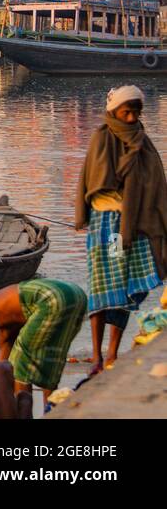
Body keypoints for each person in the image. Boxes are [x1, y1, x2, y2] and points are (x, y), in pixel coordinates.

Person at [77, 84, 167, 375]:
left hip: (132, 227)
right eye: (126, 113)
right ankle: (96, 357)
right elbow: (95, 181)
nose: (131, 119)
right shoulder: (101, 139)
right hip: (107, 228)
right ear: (114, 112)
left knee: (124, 289)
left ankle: (113, 354)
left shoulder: (144, 143)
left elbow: (155, 186)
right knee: (103, 288)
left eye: (135, 113)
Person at [0, 278, 87, 411]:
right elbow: (4, 363)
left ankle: (24, 414)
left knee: (19, 363)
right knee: (50, 356)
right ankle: (52, 411)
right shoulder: (5, 315)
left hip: (50, 298)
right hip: (76, 295)